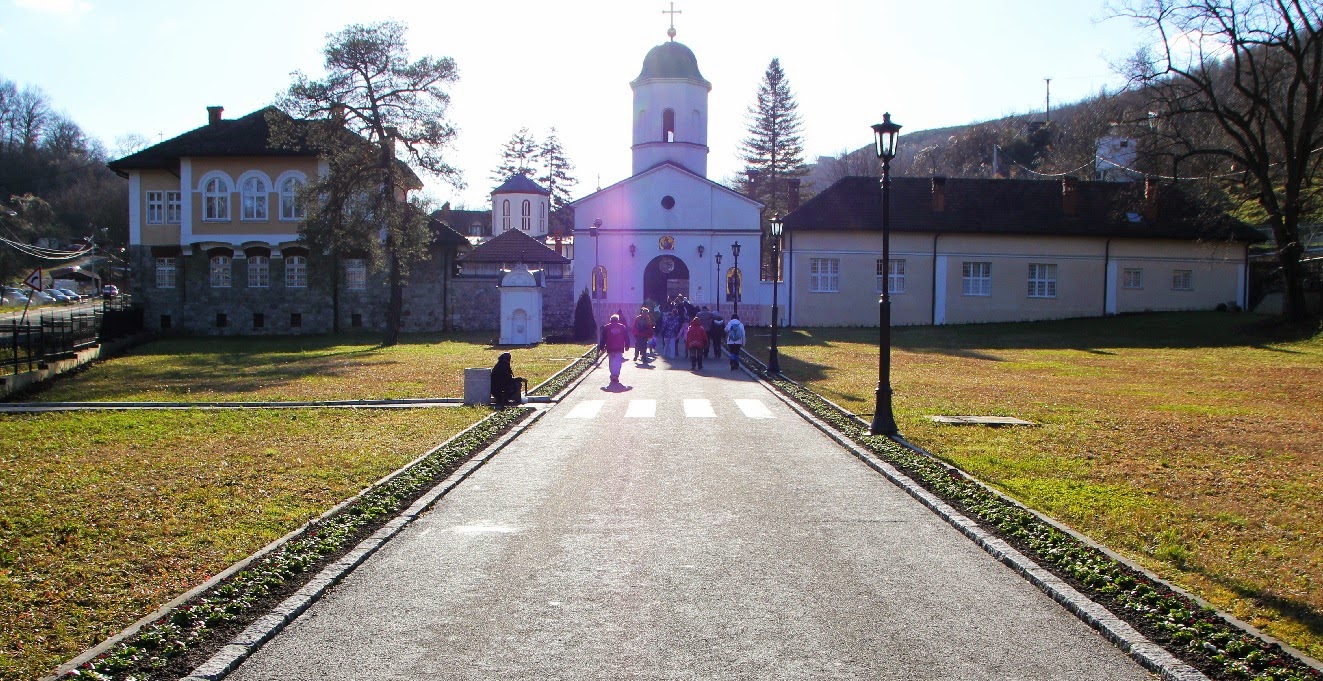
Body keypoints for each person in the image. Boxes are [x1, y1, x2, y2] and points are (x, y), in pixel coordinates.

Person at [599, 314, 631, 385]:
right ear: (618, 320)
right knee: (618, 362)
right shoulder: (622, 327)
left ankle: (613, 374)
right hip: (619, 347)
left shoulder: (606, 327)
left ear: (610, 320)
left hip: (610, 347)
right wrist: (627, 345)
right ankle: (616, 375)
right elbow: (626, 337)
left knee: (611, 361)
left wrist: (602, 347)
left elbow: (603, 338)